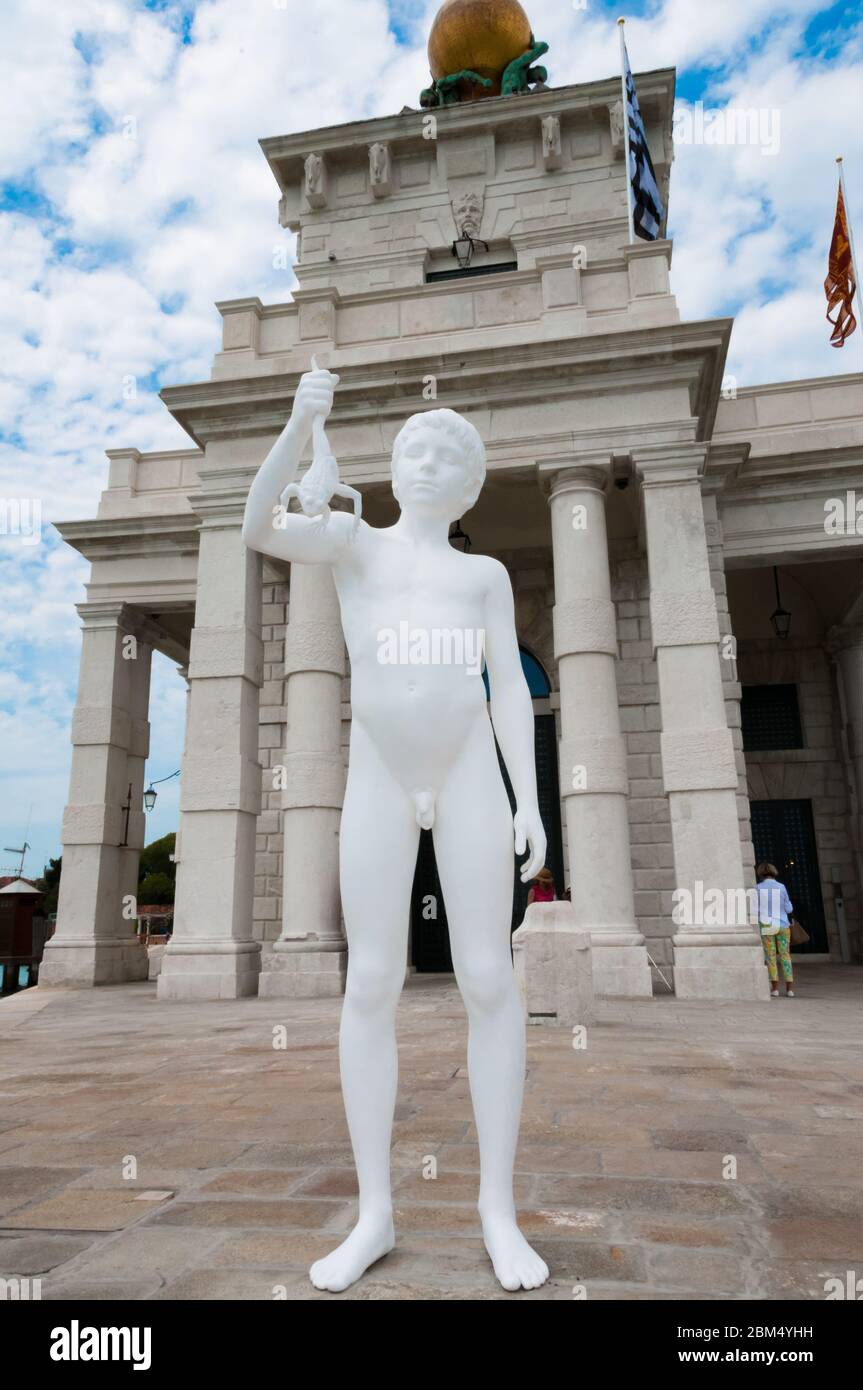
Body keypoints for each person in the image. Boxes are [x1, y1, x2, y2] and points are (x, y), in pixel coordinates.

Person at [243, 361, 548, 1293]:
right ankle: (374, 1210)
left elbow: (507, 697)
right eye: (414, 448)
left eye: (446, 457)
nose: (425, 463)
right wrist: (300, 427)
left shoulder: (484, 576)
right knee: (369, 981)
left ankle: (496, 1209)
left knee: (488, 977)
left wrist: (528, 799)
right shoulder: (353, 545)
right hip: (378, 773)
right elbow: (259, 524)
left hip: (468, 780)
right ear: (393, 463)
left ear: (467, 486)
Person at [755, 861, 795, 998]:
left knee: (770, 956)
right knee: (785, 955)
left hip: (767, 925)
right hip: (783, 925)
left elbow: (756, 910)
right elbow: (789, 908)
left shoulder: (758, 888)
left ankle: (775, 988)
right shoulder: (781, 887)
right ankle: (790, 989)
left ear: (760, 873)